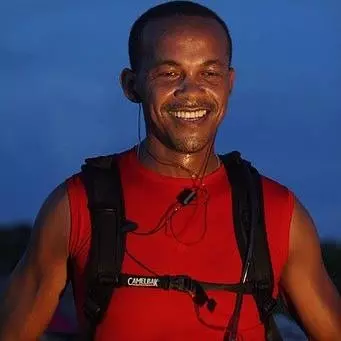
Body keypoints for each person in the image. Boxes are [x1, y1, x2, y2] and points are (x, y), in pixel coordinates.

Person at [1, 1, 341, 340]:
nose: (191, 91)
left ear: (229, 82)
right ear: (132, 85)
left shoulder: (278, 212)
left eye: (209, 73)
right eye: (169, 73)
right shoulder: (76, 207)